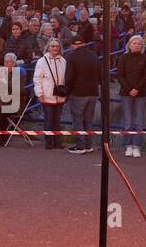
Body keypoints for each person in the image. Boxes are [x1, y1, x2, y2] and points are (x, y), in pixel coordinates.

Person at [63, 24, 99, 155]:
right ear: (83, 43)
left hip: (78, 93)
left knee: (78, 119)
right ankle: (89, 145)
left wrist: (66, 92)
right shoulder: (94, 55)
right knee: (88, 120)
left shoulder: (72, 57)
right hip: (93, 92)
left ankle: (80, 145)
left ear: (73, 45)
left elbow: (69, 77)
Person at [117, 34, 146, 158]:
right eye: (134, 43)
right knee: (127, 120)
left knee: (139, 121)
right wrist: (129, 89)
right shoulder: (123, 58)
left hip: (140, 93)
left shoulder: (145, 58)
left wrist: (137, 88)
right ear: (129, 45)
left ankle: (137, 146)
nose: (136, 45)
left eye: (139, 44)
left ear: (142, 46)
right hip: (126, 93)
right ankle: (128, 146)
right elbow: (120, 75)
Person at [33, 38, 68, 152]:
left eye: (57, 46)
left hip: (60, 96)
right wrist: (39, 94)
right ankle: (48, 142)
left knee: (57, 120)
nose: (55, 48)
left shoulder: (63, 61)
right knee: (48, 119)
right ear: (48, 47)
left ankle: (57, 141)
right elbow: (37, 78)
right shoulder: (42, 61)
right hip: (47, 94)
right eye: (52, 46)